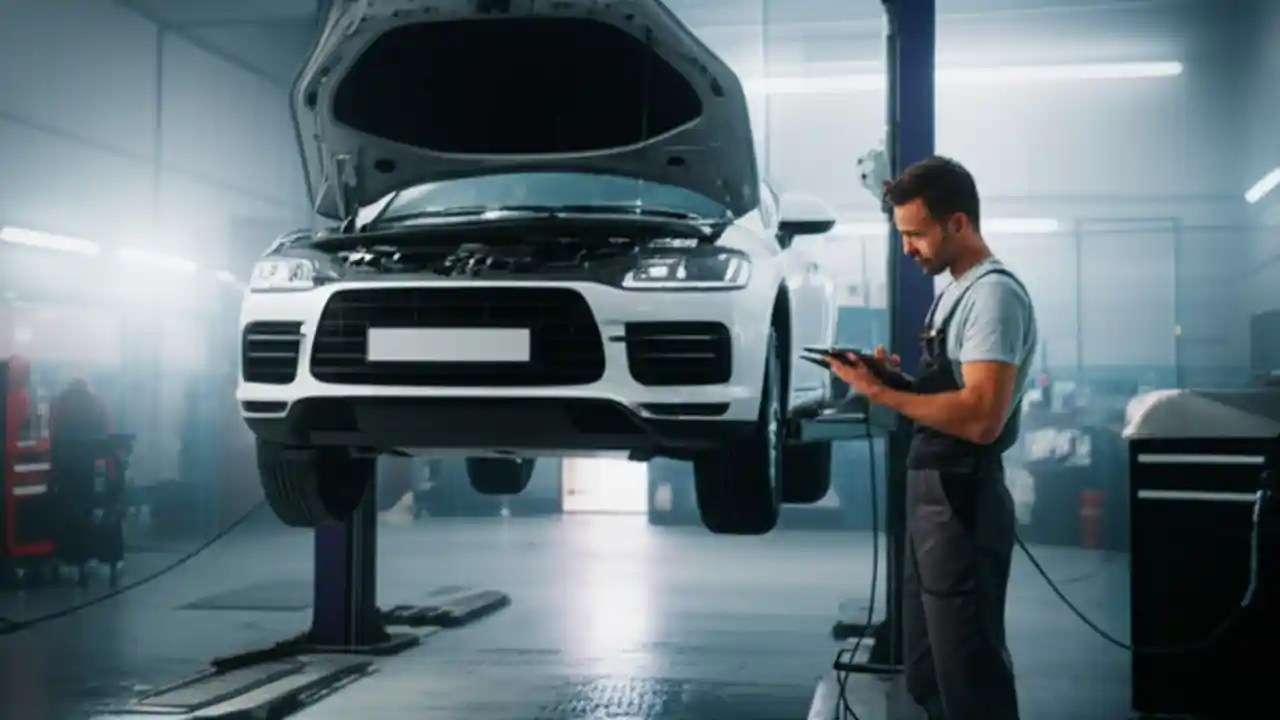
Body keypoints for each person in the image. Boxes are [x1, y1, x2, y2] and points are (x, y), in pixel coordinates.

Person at [826, 156, 1037, 720]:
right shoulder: (955, 293)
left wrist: (884, 396)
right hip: (935, 499)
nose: (908, 249)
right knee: (931, 670)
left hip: (963, 501)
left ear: (959, 223)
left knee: (969, 673)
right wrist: (896, 381)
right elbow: (952, 391)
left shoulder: (993, 297)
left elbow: (980, 416)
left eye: (916, 234)